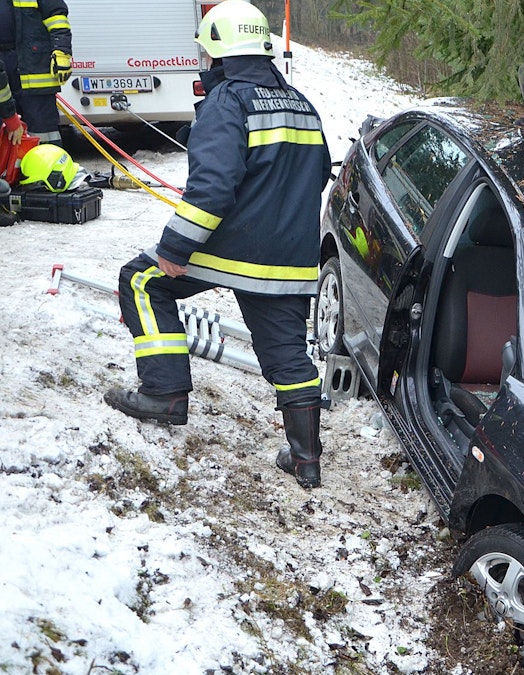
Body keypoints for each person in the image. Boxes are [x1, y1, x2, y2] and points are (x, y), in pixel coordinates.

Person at [104, 0, 333, 488]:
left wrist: (175, 248)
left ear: (219, 55)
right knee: (288, 354)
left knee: (141, 281)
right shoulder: (302, 104)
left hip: (232, 248)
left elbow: (212, 190)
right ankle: (306, 460)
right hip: (291, 260)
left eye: (207, 54)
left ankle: (164, 395)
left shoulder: (229, 102)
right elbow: (313, 177)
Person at [0, 0, 71, 145]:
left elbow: (57, 16)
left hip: (35, 70)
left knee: (43, 132)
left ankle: (48, 164)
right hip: (4, 65)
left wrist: (61, 50)